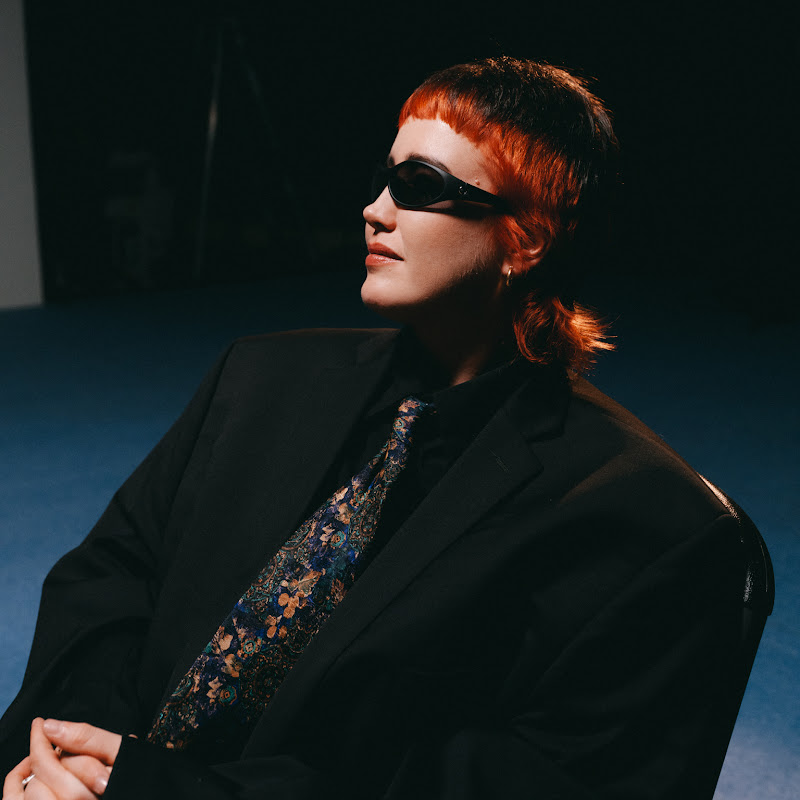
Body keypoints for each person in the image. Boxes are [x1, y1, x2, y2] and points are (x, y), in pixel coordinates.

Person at [1, 57, 745, 799]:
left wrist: (146, 791)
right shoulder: (257, 376)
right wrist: (68, 760)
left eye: (419, 186)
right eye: (385, 178)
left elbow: (503, 781)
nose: (376, 209)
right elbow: (111, 576)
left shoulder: (643, 518)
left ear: (527, 240)